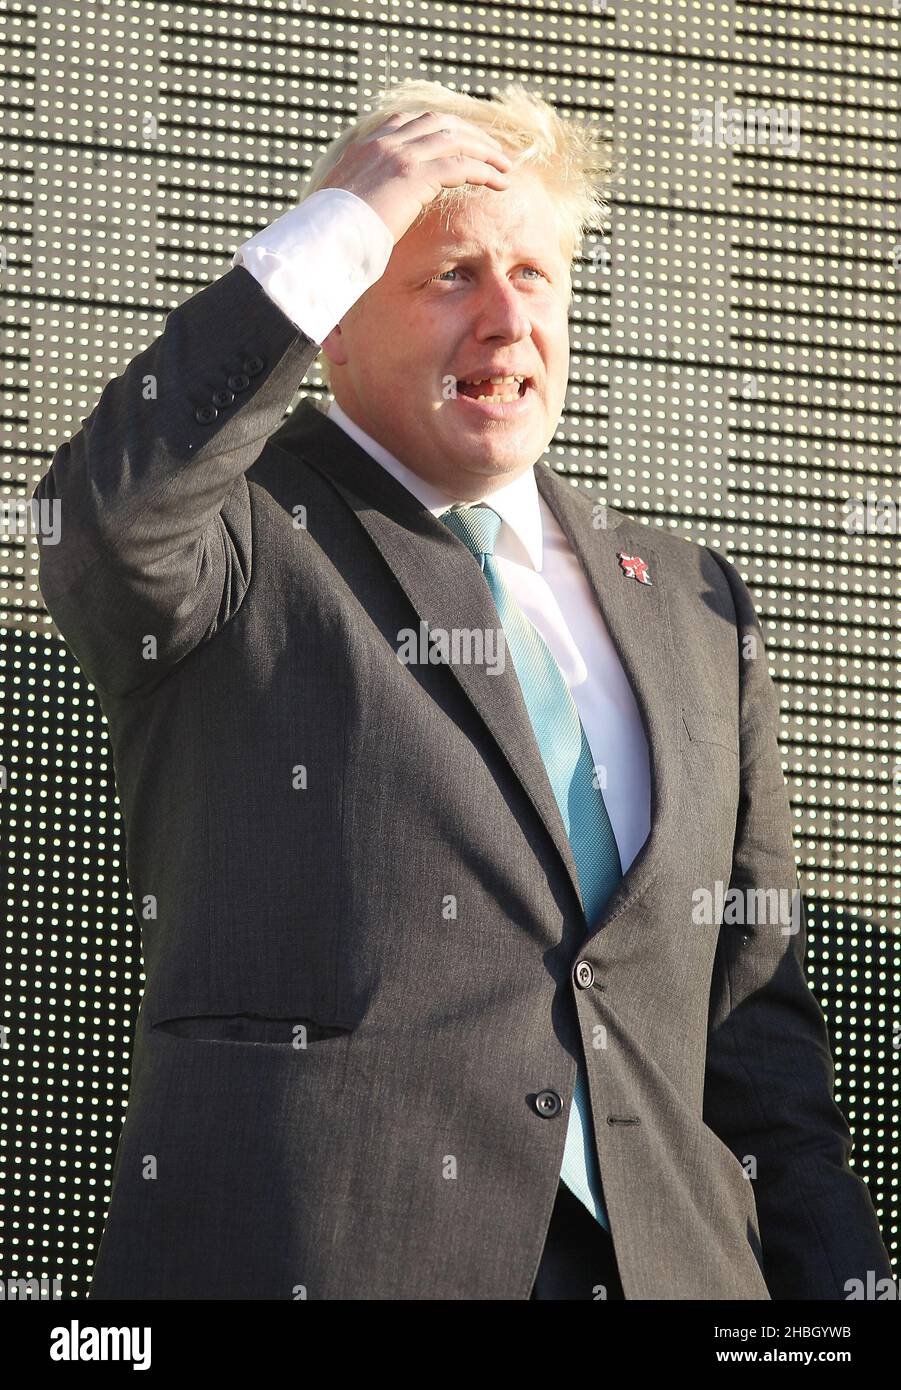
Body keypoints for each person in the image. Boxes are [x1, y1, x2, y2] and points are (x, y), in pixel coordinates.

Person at [33, 79, 892, 1300]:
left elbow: (752, 1043)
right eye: (449, 277)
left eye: (533, 276)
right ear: (336, 321)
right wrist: (340, 220)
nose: (504, 319)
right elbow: (97, 527)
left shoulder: (696, 604)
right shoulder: (241, 536)